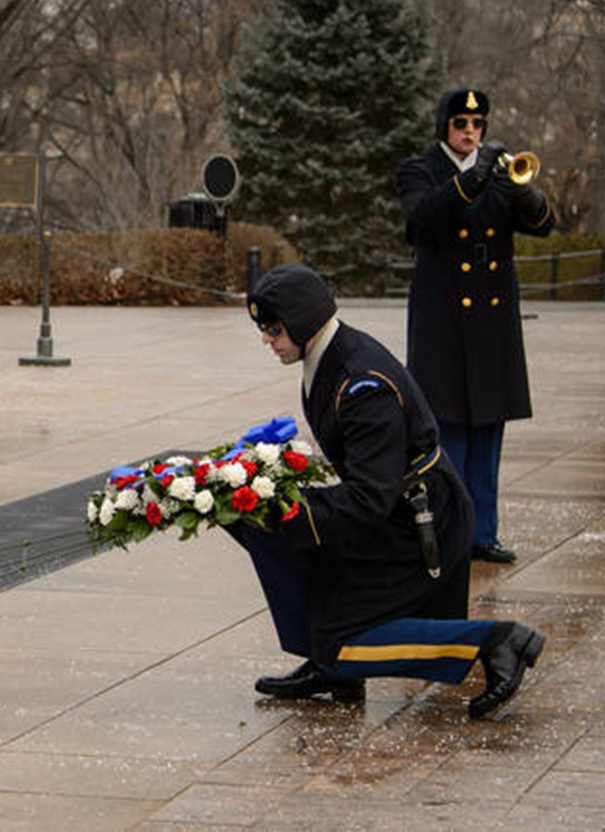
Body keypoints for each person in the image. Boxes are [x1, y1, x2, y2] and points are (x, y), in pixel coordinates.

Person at [230, 264, 546, 719]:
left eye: (274, 328)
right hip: (398, 510)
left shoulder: (362, 386)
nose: (267, 339)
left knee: (339, 639)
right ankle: (326, 663)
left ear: (302, 321)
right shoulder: (331, 356)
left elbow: (369, 498)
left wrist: (292, 509)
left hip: (419, 524)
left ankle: (495, 641)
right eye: (263, 329)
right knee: (259, 523)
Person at [395, 89, 555, 564]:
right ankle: (451, 531)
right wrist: (471, 179)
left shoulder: (498, 172)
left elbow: (544, 225)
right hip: (444, 316)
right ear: (444, 126)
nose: (470, 132)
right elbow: (422, 218)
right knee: (448, 430)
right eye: (461, 122)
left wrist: (522, 191)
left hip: (491, 318)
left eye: (477, 123)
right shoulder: (420, 169)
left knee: (488, 428)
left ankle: (484, 531)